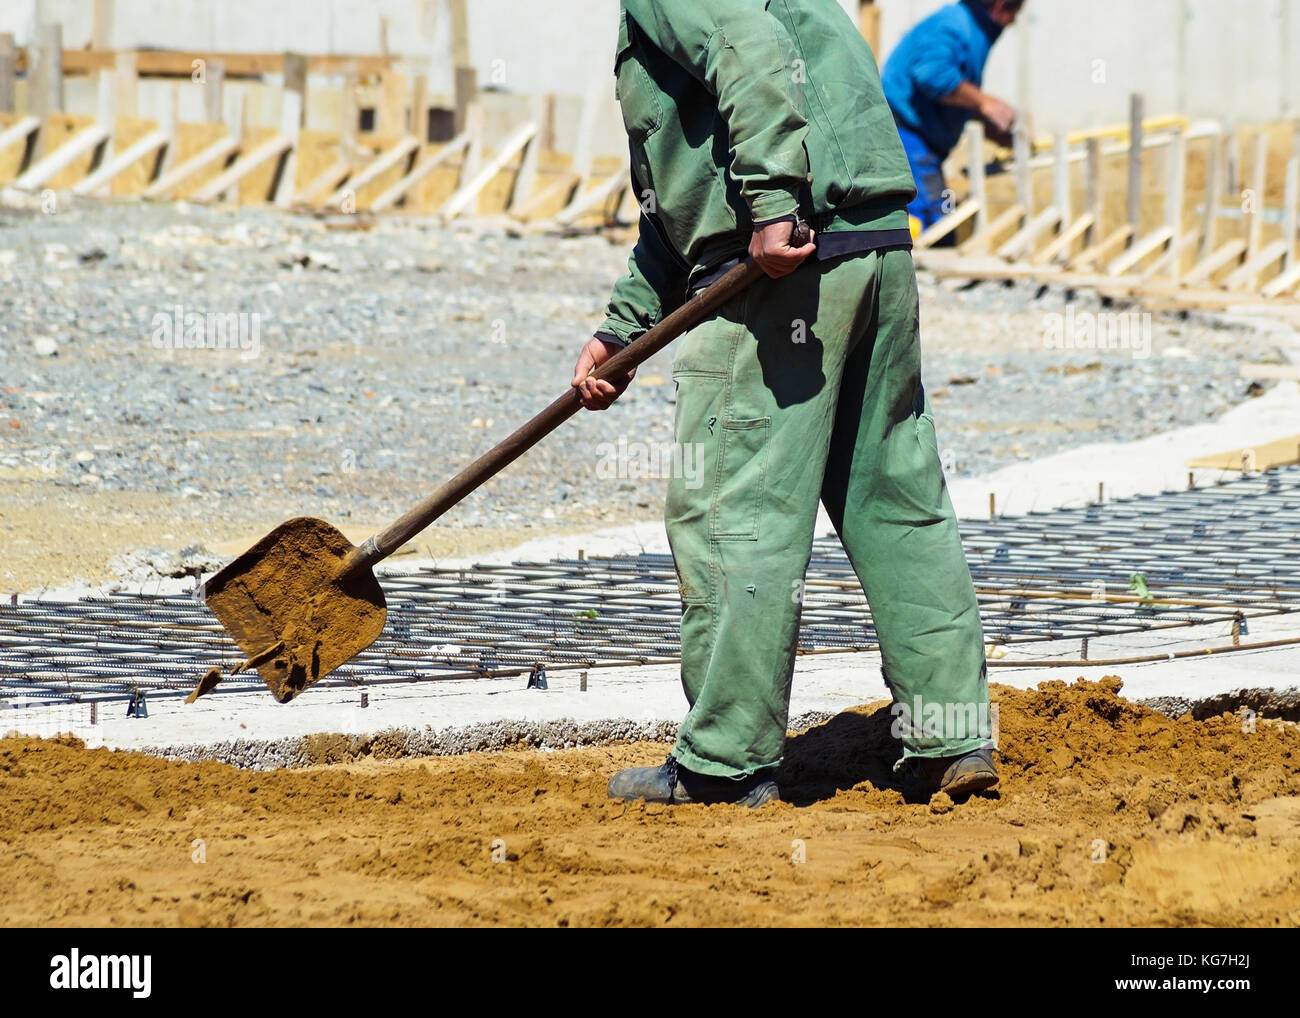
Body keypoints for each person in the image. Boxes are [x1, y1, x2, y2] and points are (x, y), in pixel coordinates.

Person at [572, 0, 996, 808]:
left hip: (782, 274)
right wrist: (623, 330)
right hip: (872, 252)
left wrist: (770, 205)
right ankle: (950, 739)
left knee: (735, 512)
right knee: (896, 500)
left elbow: (750, 51)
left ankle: (723, 762)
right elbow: (681, 202)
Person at [880, 0, 1023, 238]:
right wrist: (984, 102)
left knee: (938, 217)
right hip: (906, 131)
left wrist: (983, 117)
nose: (1013, 21)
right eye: (1014, 11)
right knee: (933, 222)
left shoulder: (972, 28)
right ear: (1000, 6)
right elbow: (931, 75)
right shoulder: (954, 25)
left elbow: (951, 90)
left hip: (921, 137)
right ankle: (922, 272)